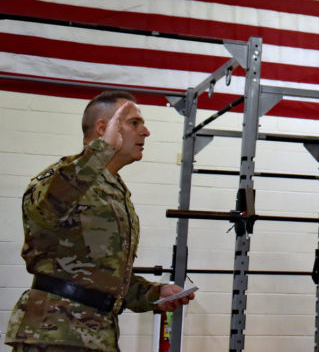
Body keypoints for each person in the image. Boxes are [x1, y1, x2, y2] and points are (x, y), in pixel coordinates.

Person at [5, 91, 195, 351]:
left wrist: (154, 293)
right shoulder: (60, 179)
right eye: (134, 123)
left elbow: (100, 275)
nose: (146, 131)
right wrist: (102, 150)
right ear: (103, 128)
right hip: (54, 335)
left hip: (97, 334)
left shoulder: (114, 190)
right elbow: (46, 210)